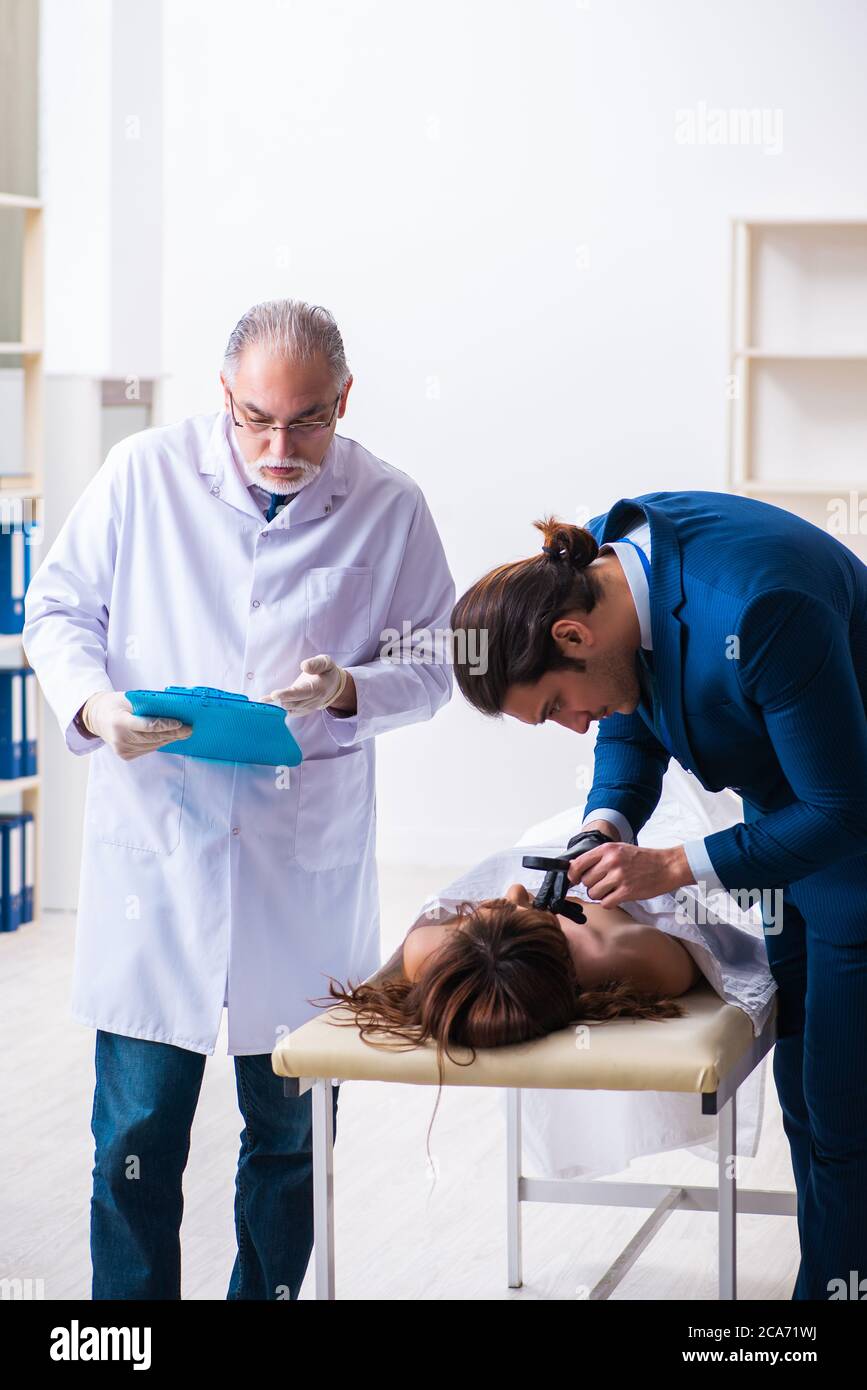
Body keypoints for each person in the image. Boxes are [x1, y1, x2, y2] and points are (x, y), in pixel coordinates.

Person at [22, 297, 455, 1300]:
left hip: (301, 872)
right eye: (256, 418)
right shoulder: (145, 475)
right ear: (223, 395)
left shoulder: (390, 505)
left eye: (308, 420)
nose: (279, 444)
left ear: (345, 399)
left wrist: (351, 688)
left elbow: (439, 659)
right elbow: (55, 607)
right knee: (134, 1134)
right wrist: (97, 705)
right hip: (156, 865)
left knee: (293, 1138)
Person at [448, 493, 867, 1301]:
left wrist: (675, 865)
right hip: (791, 828)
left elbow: (844, 811)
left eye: (553, 709)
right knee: (808, 1104)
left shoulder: (758, 607)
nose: (574, 728)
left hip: (848, 841)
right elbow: (630, 715)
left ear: (571, 638)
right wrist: (601, 823)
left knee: (847, 1120)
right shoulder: (609, 576)